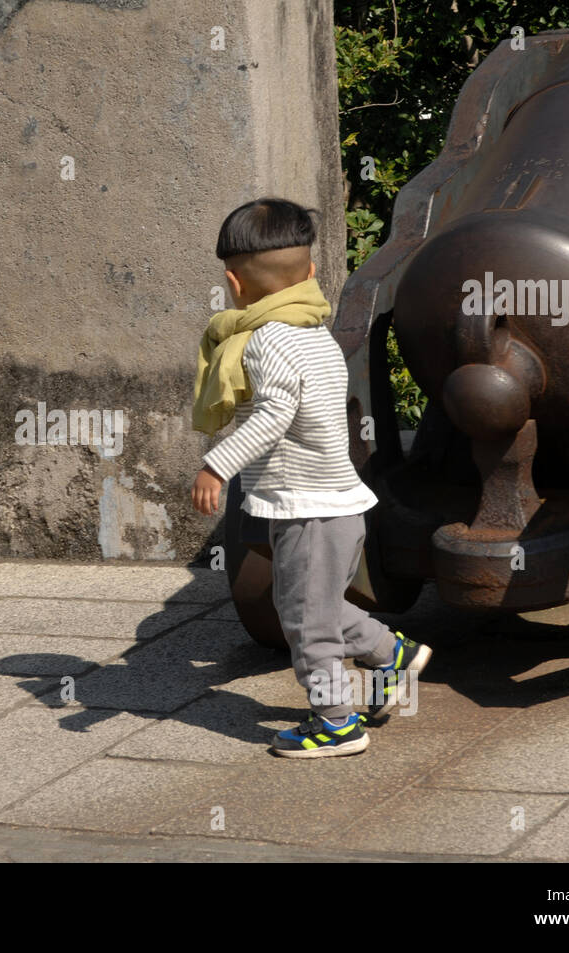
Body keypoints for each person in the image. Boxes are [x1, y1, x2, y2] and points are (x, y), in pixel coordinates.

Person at [190, 197, 431, 758]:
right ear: (312, 273)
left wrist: (216, 465)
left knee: (306, 625)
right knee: (312, 605)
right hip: (331, 506)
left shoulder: (267, 340)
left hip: (311, 511)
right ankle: (393, 656)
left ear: (233, 282)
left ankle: (336, 723)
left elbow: (275, 415)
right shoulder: (311, 331)